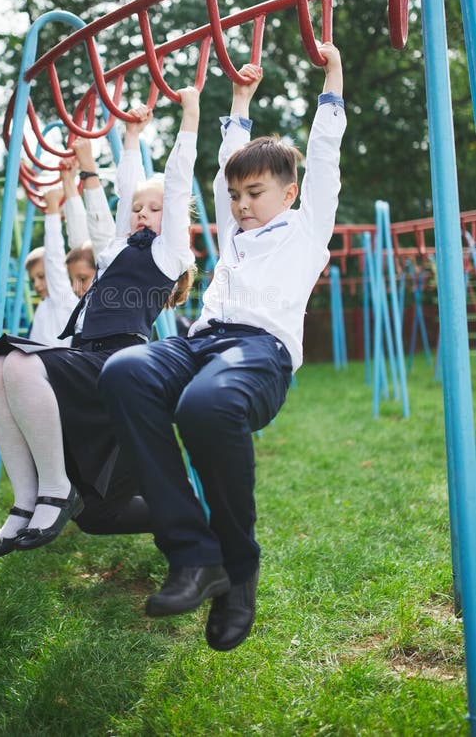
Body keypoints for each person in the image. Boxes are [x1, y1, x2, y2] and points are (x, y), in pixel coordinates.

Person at [99, 42, 346, 652]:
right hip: (202, 341)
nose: (240, 206)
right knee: (124, 369)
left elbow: (323, 152)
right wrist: (240, 100)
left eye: (255, 194)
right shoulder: (234, 227)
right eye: (236, 197)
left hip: (260, 354)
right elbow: (222, 168)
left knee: (205, 406)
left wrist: (332, 74)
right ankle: (193, 554)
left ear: (289, 194)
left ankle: (239, 570)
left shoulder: (309, 227)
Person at [0, 90, 199, 558]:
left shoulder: (168, 253)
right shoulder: (117, 245)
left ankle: (57, 489)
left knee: (20, 366)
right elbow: (113, 203)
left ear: (176, 219)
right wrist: (131, 137)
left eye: (155, 210)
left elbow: (177, 185)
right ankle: (24, 499)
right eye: (139, 209)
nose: (143, 213)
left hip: (121, 360)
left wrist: (189, 114)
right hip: (85, 354)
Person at [24, 140, 116, 346]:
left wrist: (53, 210)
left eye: (42, 275)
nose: (75, 286)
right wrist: (68, 181)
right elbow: (79, 245)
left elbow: (57, 258)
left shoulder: (67, 298)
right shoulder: (71, 300)